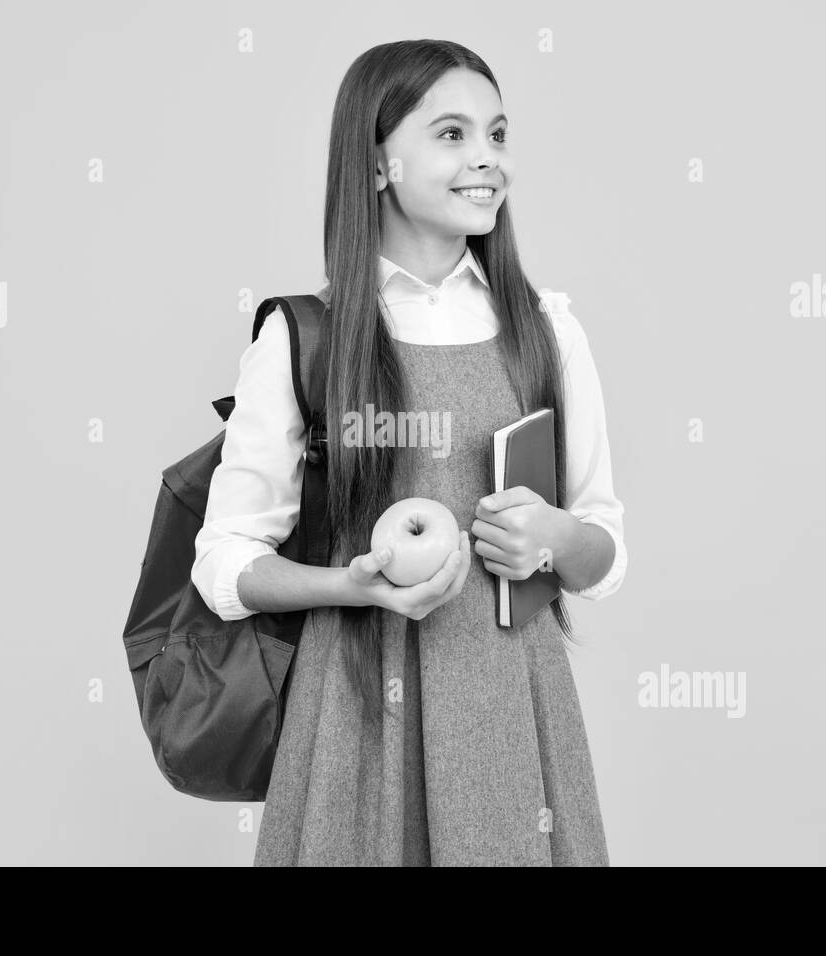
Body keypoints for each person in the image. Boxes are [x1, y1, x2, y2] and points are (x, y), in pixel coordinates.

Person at [191, 39, 628, 866]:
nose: (489, 161)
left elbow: (602, 551)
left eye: (498, 135)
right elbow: (225, 562)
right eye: (454, 134)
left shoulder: (549, 331)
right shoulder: (304, 338)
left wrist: (554, 537)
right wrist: (349, 585)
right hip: (355, 713)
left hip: (512, 715)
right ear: (379, 162)